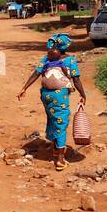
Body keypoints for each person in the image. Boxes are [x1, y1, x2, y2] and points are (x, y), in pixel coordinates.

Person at [17, 33, 87, 171]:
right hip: (60, 96)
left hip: (45, 95)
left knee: (52, 118)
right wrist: (83, 94)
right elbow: (76, 79)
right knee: (61, 123)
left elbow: (36, 73)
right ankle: (60, 160)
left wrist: (24, 88)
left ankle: (55, 148)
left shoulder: (47, 57)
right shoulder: (70, 60)